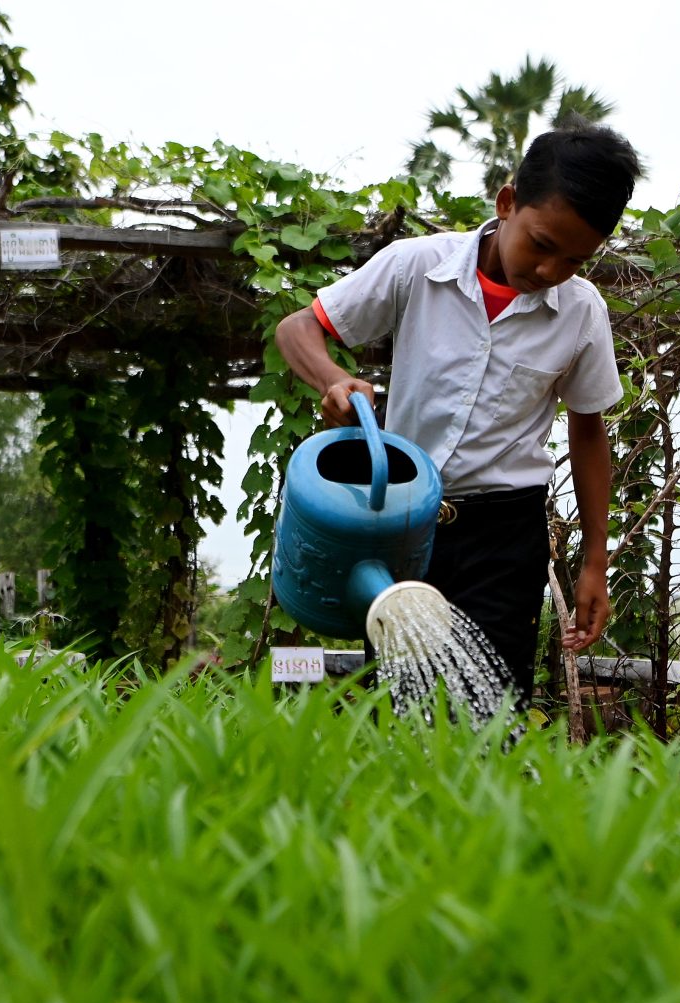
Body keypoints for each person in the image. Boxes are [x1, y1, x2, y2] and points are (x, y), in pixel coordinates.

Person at [273, 124, 642, 698]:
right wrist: (335, 378)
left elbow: (588, 430)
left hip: (505, 533)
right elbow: (298, 328)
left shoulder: (580, 312)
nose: (550, 271)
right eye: (542, 245)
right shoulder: (416, 266)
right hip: (400, 522)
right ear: (507, 202)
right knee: (400, 698)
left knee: (492, 706)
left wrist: (596, 560)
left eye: (574, 260)